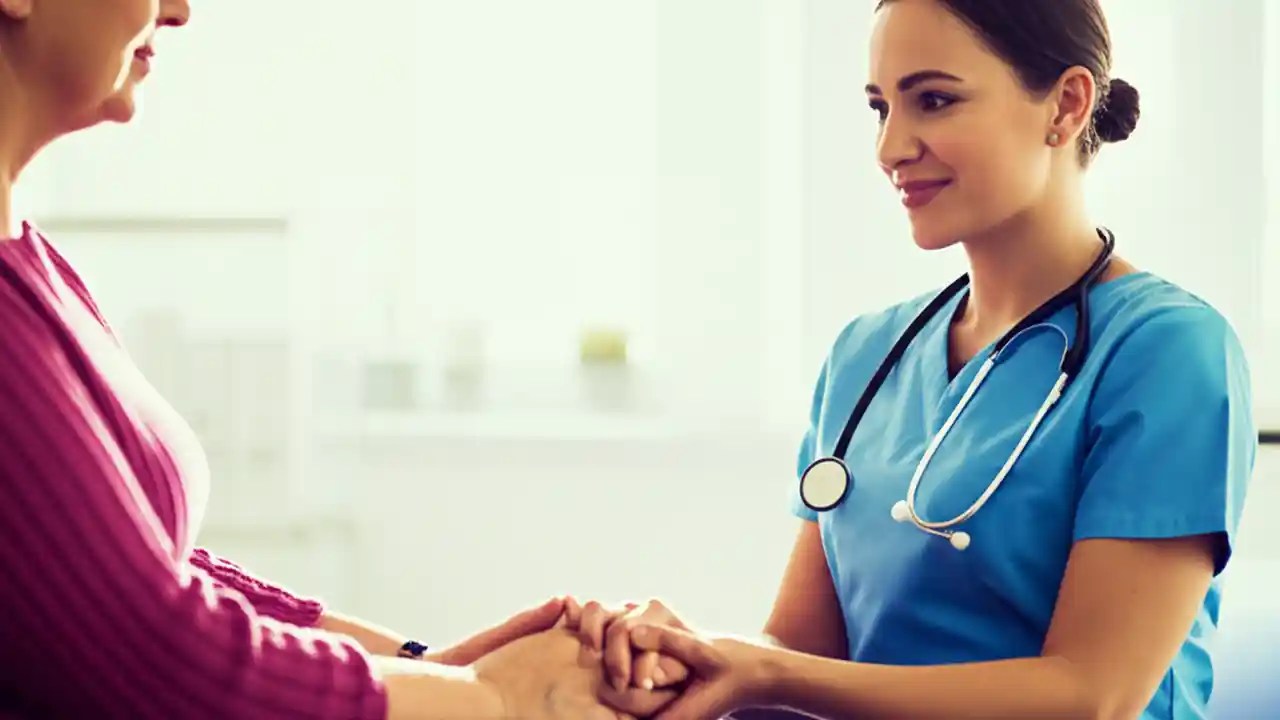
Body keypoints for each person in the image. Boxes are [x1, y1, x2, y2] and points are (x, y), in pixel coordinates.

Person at [569, 1, 1258, 719]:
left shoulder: (1168, 351)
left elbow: (1090, 696)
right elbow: (800, 653)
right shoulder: (865, 354)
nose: (890, 147)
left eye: (933, 100)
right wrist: (680, 660)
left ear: (1066, 103)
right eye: (880, 108)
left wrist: (764, 670)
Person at [0, 2, 677, 718]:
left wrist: (432, 670)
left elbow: (126, 568)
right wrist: (495, 697)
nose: (178, 11)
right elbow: (157, 655)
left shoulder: (31, 262)